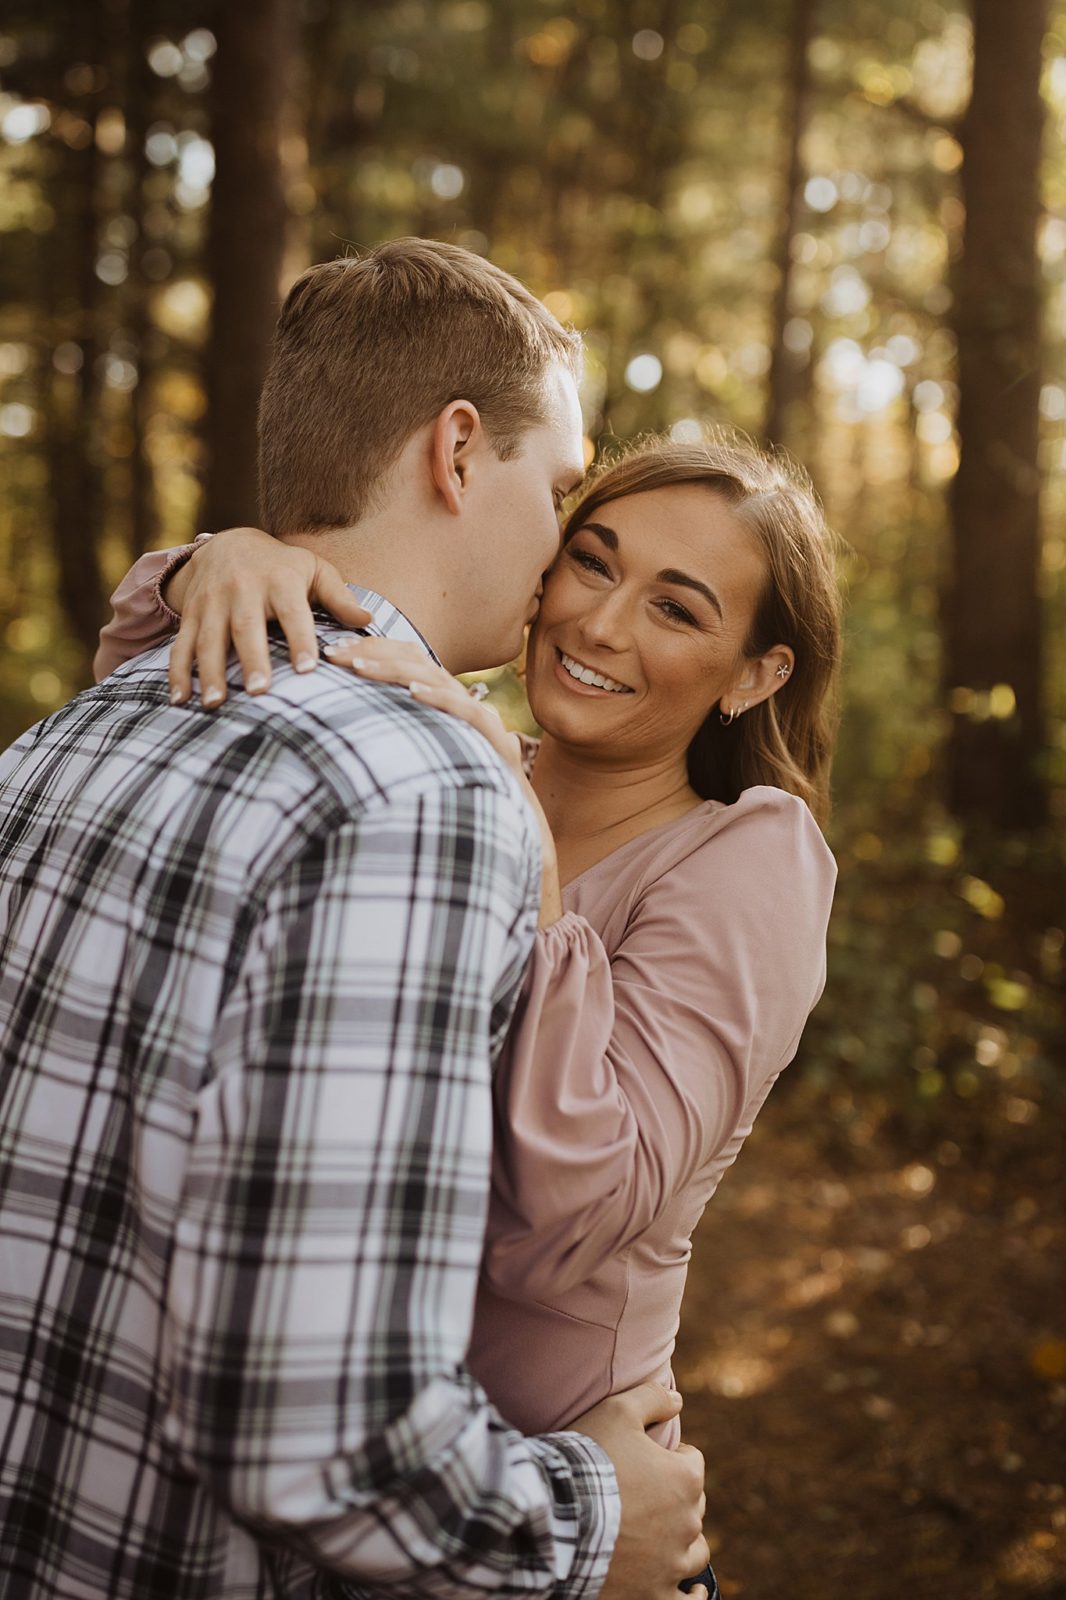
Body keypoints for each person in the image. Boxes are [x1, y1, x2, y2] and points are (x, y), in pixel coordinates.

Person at [0, 240, 712, 1600]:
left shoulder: (63, 742)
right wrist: (591, 1520)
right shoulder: (415, 791)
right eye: (559, 487)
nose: (564, 541)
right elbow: (318, 1435)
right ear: (457, 451)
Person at [98, 428, 841, 1593]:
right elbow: (170, 764)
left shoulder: (749, 857)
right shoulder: (436, 758)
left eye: (678, 609)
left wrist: (522, 843)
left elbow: (566, 1227)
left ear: (756, 674)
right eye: (592, 561)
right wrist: (216, 565)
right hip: (352, 1489)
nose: (599, 624)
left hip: (570, 1512)